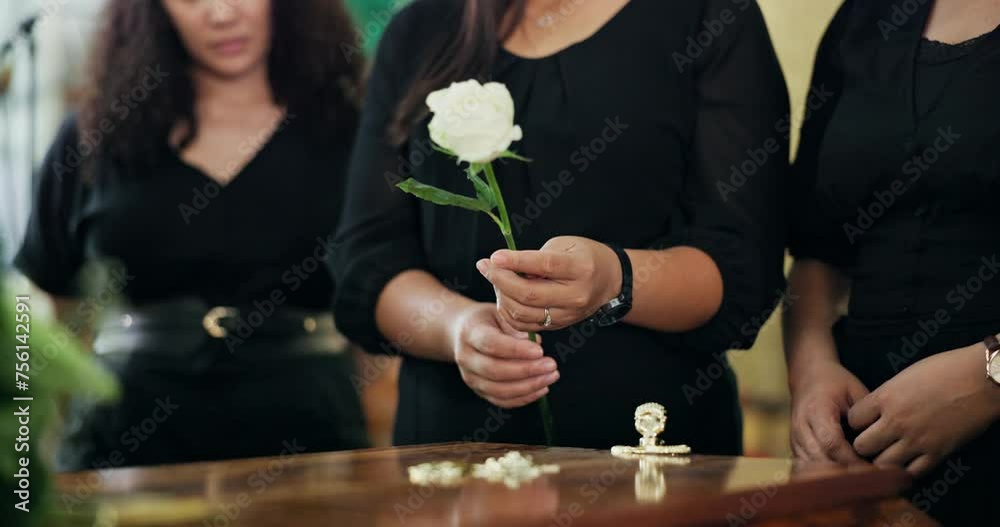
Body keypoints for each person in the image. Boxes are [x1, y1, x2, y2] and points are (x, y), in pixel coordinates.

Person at [334, 0, 788, 451]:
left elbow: (742, 264)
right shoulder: (420, 29)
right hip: (453, 458)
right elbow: (368, 262)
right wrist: (458, 329)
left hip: (649, 445)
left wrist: (615, 278)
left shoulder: (709, 16)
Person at [15, 0, 368, 469]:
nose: (221, 14)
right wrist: (26, 446)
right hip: (126, 443)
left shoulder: (354, 128)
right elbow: (36, 303)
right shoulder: (96, 131)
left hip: (312, 437)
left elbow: (388, 290)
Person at [785, 0, 1000, 522]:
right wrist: (813, 368)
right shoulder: (861, 19)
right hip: (865, 449)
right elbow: (818, 253)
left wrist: (990, 376)